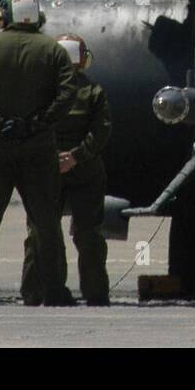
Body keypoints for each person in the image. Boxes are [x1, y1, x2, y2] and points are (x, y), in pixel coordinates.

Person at [0, 0, 78, 306]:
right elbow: (67, 93)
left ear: (5, 18)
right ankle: (51, 289)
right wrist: (38, 123)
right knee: (45, 221)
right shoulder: (53, 51)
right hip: (38, 149)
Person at [20, 35, 112, 306]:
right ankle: (96, 293)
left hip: (44, 171)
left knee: (40, 231)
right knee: (89, 234)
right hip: (86, 171)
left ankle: (36, 291)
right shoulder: (94, 92)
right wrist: (75, 157)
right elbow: (101, 132)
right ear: (82, 59)